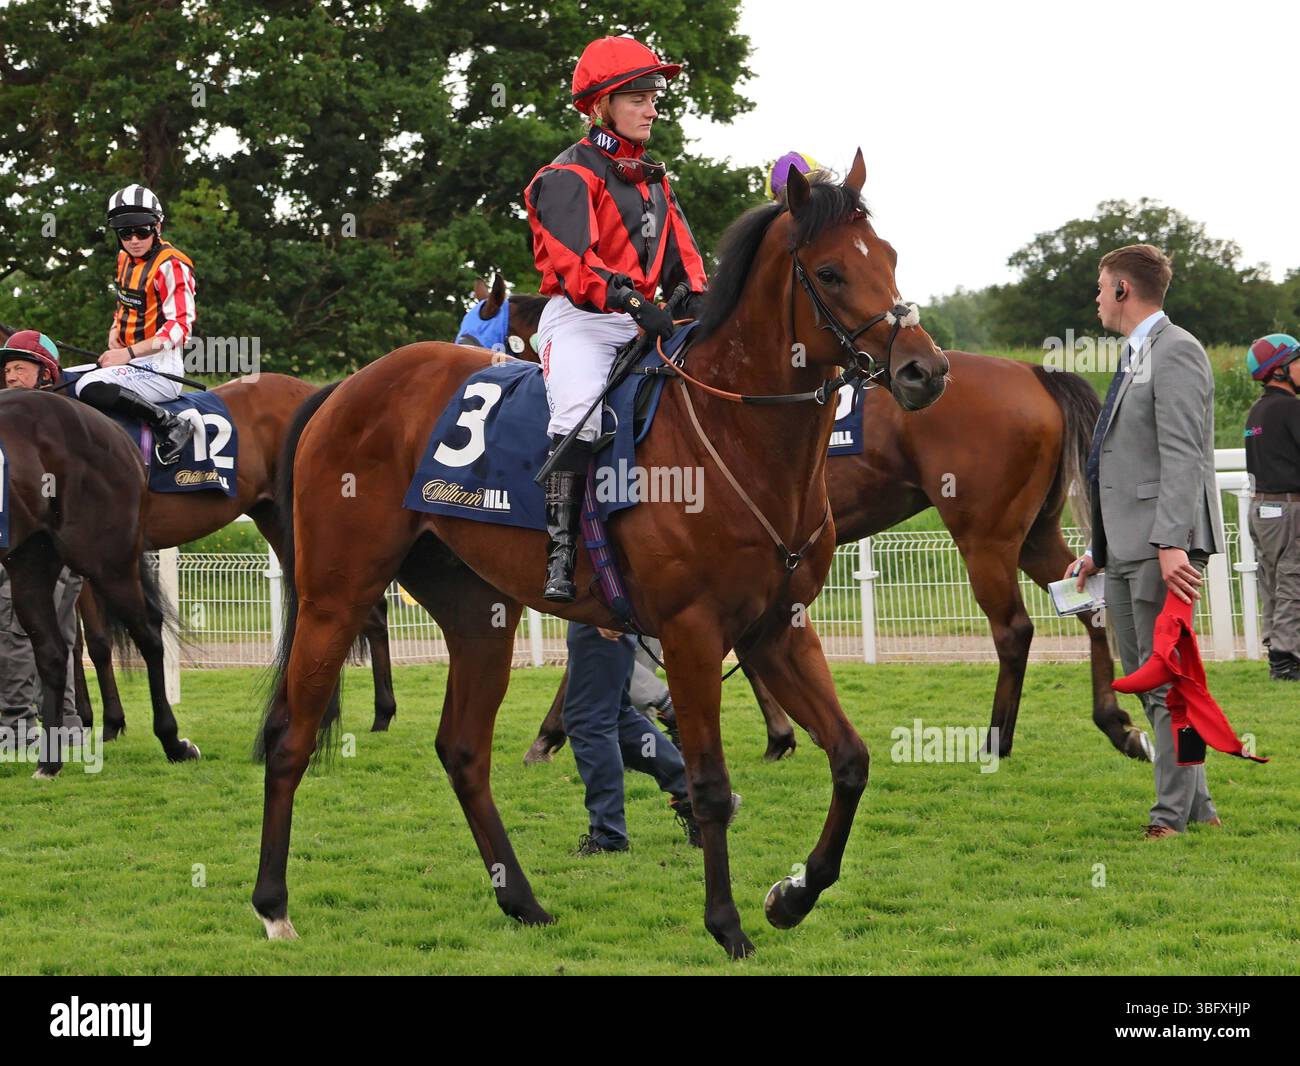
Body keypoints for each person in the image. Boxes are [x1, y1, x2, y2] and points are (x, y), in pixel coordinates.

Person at [524, 34, 708, 602]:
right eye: (638, 97)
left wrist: (702, 303)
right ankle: (561, 554)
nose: (653, 107)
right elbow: (575, 266)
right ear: (602, 105)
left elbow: (689, 264)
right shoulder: (565, 175)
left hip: (646, 320)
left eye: (654, 96)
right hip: (582, 320)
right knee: (583, 415)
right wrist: (633, 303)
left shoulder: (655, 178)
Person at [1067, 244, 1225, 840]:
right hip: (1131, 547)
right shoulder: (1138, 354)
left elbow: (1185, 456)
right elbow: (1122, 461)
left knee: (1163, 687)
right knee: (1149, 679)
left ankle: (1169, 820)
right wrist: (1097, 549)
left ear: (1124, 291)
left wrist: (1172, 542)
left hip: (1163, 547)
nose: (1097, 298)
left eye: (1102, 286)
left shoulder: (1176, 351)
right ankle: (1200, 807)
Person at [564, 622, 737, 855]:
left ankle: (608, 837)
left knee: (589, 720)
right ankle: (699, 797)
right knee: (618, 717)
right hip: (600, 611)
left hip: (599, 611)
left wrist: (605, 611)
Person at [73, 184, 196, 465]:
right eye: (125, 233)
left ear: (158, 226)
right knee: (62, 378)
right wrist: (115, 328)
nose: (134, 240)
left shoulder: (172, 265)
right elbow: (124, 302)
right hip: (128, 363)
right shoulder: (123, 259)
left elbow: (179, 328)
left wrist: (127, 354)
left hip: (161, 367)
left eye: (142, 231)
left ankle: (170, 425)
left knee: (89, 386)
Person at [0, 331, 83, 744]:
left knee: (26, 628)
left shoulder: (58, 421)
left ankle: (18, 726)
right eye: (7, 369)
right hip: (37, 543)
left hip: (45, 546)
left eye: (20, 368)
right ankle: (62, 724)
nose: (11, 376)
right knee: (50, 632)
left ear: (46, 373)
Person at [1242, 334, 1300, 681]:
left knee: (1274, 581)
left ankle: (1277, 650)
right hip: (1290, 510)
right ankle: (1286, 659)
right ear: (1279, 371)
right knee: (1294, 580)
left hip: (1262, 510)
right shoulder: (1291, 408)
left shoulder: (1258, 411)